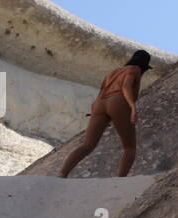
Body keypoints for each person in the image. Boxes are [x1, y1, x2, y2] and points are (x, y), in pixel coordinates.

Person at [58, 50, 151, 178]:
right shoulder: (135, 69)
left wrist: (100, 115)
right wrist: (132, 107)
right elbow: (125, 86)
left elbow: (101, 92)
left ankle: (62, 173)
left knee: (87, 145)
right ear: (144, 64)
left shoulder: (112, 73)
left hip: (99, 104)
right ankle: (119, 180)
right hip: (118, 101)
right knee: (129, 147)